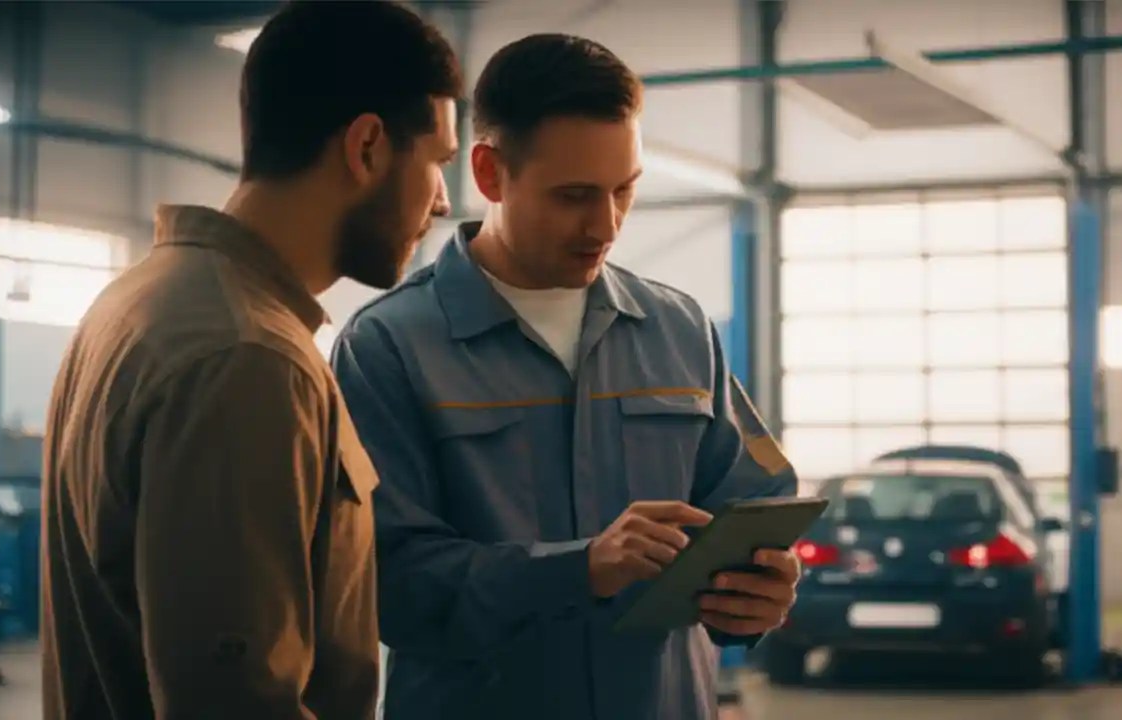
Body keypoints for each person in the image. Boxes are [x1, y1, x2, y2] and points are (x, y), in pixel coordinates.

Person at [332, 33, 800, 719]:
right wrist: (577, 569)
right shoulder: (388, 347)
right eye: (575, 195)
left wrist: (757, 598)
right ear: (491, 174)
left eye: (624, 190)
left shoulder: (680, 330)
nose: (605, 224)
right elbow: (386, 585)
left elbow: (751, 504)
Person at [39, 2, 460, 718]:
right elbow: (236, 703)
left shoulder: (141, 301)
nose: (444, 202)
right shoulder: (249, 360)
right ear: (366, 147)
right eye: (438, 162)